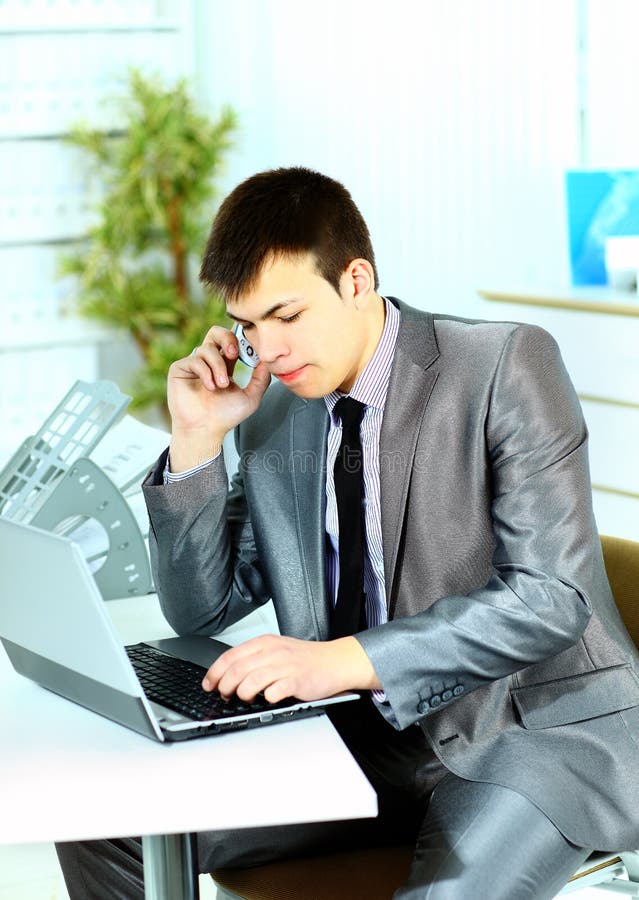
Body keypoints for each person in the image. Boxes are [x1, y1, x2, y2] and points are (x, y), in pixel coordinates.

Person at [57, 167, 639, 899]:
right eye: (246, 325)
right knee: (105, 818)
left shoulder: (503, 364)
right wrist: (197, 439)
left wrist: (340, 660)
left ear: (355, 279)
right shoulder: (274, 411)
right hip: (364, 740)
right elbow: (200, 608)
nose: (263, 350)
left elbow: (549, 598)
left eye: (285, 314)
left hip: (525, 732)